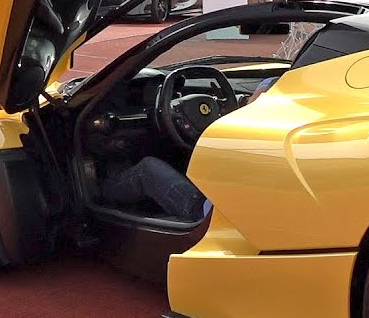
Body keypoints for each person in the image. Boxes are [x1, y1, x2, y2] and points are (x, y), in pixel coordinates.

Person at [99, 76, 279, 220]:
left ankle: (100, 194)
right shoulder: (278, 130)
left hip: (206, 210)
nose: (248, 101)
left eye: (254, 97)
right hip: (240, 206)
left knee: (147, 169)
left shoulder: (251, 130)